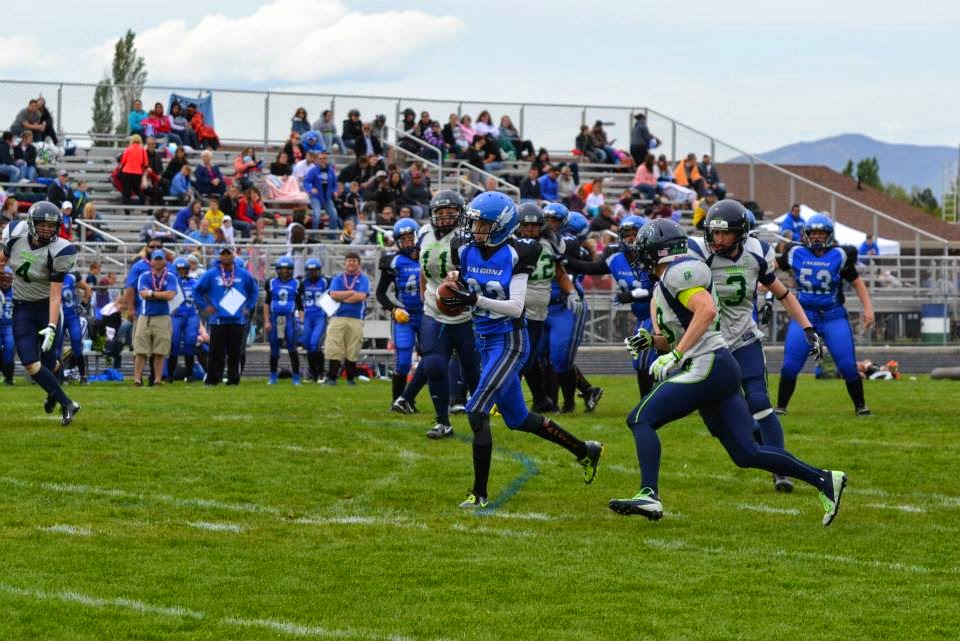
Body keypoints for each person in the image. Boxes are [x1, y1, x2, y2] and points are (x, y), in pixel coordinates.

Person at [608, 218, 848, 526]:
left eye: (642, 250)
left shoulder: (679, 272)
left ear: (657, 251)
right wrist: (651, 342)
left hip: (708, 363)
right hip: (715, 367)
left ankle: (649, 494)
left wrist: (678, 353)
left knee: (640, 418)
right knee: (746, 454)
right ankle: (825, 479)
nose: (637, 256)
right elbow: (670, 340)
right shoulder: (662, 285)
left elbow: (706, 311)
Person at [439, 191, 603, 509]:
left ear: (501, 226)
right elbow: (464, 278)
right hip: (484, 340)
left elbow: (515, 307)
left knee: (476, 410)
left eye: (482, 224)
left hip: (510, 341)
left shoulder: (520, 252)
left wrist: (473, 299)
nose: (475, 230)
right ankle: (585, 450)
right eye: (473, 223)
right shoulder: (463, 247)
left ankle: (479, 494)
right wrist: (455, 281)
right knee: (518, 418)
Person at [688, 200, 825, 492]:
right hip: (709, 344)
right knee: (722, 420)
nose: (718, 239)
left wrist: (808, 328)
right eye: (714, 232)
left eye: (725, 233)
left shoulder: (756, 254)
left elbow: (784, 293)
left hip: (744, 338)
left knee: (760, 403)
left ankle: (781, 471)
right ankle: (763, 446)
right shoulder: (697, 254)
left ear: (742, 234)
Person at [391, 191, 480, 440]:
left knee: (472, 370)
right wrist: (424, 295)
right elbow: (423, 267)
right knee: (433, 365)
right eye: (439, 213)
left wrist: (462, 282)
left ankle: (480, 417)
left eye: (450, 212)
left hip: (464, 314)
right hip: (434, 310)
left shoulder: (467, 238)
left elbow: (480, 273)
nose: (443, 217)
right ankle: (442, 421)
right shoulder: (424, 234)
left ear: (460, 214)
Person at [775, 214, 875, 416]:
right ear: (806, 234)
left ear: (829, 235)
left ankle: (861, 407)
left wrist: (868, 308)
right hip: (804, 317)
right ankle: (781, 408)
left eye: (821, 232)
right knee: (790, 366)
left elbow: (856, 282)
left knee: (847, 366)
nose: (817, 236)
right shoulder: (795, 252)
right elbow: (771, 269)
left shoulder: (840, 255)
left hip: (833, 317)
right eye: (814, 233)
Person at [0, 201, 81, 424]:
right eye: (42, 225)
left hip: (47, 307)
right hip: (22, 306)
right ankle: (67, 403)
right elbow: (1, 260)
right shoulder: (15, 235)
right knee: (30, 362)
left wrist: (52, 326)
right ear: (32, 224)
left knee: (50, 362)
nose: (46, 229)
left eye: (51, 226)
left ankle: (53, 392)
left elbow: (56, 294)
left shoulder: (61, 250)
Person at [561, 215, 656, 396]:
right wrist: (563, 259)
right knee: (643, 360)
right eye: (627, 234)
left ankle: (649, 402)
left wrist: (635, 294)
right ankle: (654, 400)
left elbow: (665, 287)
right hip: (643, 316)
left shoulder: (653, 257)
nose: (630, 238)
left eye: (635, 234)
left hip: (662, 314)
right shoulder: (616, 259)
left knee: (644, 357)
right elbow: (588, 268)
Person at [514, 202, 581, 412]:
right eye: (526, 225)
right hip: (517, 307)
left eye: (535, 226)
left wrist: (572, 292)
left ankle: (542, 400)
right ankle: (514, 401)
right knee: (522, 357)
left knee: (533, 358)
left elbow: (560, 272)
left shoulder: (550, 244)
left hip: (541, 311)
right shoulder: (511, 245)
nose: (530, 230)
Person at [194, 247, 259, 385]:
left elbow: (254, 291)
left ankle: (233, 379)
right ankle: (213, 379)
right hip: (218, 319)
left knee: (235, 352)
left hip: (237, 319)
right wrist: (205, 306)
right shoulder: (211, 274)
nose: (226, 256)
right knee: (215, 351)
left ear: (233, 256)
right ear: (220, 257)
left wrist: (249, 307)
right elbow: (196, 289)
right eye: (223, 254)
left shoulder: (243, 274)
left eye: (228, 253)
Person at [376, 218, 423, 406]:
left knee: (431, 358)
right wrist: (394, 309)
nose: (408, 242)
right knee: (403, 361)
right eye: (403, 239)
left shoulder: (428, 256)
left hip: (428, 314)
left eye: (410, 238)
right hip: (405, 316)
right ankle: (397, 401)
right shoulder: (393, 262)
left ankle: (409, 398)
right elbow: (380, 293)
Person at [323, 252, 370, 385]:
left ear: (358, 264)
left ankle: (350, 379)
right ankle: (332, 378)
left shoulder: (364, 279)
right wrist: (350, 293)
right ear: (345, 263)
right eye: (349, 260)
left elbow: (361, 296)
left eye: (354, 261)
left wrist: (342, 297)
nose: (351, 263)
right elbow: (333, 294)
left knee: (352, 348)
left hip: (356, 318)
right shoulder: (338, 278)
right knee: (334, 347)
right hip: (338, 317)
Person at [133, 249, 178, 386]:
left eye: (160, 259)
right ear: (151, 261)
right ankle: (137, 379)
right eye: (156, 259)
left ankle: (158, 379)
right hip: (145, 315)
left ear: (165, 261)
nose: (158, 261)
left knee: (160, 350)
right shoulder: (144, 276)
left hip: (163, 316)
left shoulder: (171, 276)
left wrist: (152, 293)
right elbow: (142, 294)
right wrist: (160, 294)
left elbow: (170, 295)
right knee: (140, 350)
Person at [263, 256, 303, 385]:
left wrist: (301, 321)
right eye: (282, 269)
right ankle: (273, 376)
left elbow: (300, 304)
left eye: (287, 269)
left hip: (290, 317)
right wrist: (266, 321)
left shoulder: (296, 283)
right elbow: (267, 303)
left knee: (292, 345)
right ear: (277, 270)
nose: (284, 272)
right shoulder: (271, 282)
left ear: (291, 270)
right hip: (275, 317)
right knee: (274, 346)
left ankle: (296, 376)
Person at [167, 257, 200, 382]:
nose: (181, 272)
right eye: (179, 270)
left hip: (191, 315)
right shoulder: (170, 282)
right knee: (173, 344)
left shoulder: (195, 282)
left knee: (190, 343)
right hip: (175, 316)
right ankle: (170, 374)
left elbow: (201, 296)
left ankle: (189, 374)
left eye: (183, 269)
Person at [299, 258, 329, 382]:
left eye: (315, 271)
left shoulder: (325, 282)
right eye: (310, 271)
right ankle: (313, 373)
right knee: (307, 344)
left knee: (314, 344)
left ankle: (321, 372)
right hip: (307, 316)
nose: (313, 273)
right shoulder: (302, 282)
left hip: (320, 316)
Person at [60, 270, 91, 384]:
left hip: (72, 316)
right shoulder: (51, 277)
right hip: (59, 317)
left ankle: (83, 375)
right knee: (57, 348)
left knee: (77, 344)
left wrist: (83, 304)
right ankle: (61, 376)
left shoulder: (71, 276)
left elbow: (87, 288)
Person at [304, 151, 339, 230]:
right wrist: (310, 188)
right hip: (316, 197)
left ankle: (331, 236)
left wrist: (335, 191)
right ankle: (313, 236)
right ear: (317, 160)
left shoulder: (331, 171)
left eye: (324, 158)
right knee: (316, 214)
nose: (322, 160)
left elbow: (334, 184)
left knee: (334, 214)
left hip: (327, 197)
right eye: (320, 159)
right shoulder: (313, 170)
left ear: (327, 160)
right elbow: (306, 182)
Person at [0, 266, 13, 384]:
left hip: (9, 326)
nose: (4, 283)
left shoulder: (16, 292)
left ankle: (9, 377)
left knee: (9, 350)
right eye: (2, 280)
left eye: (7, 280)